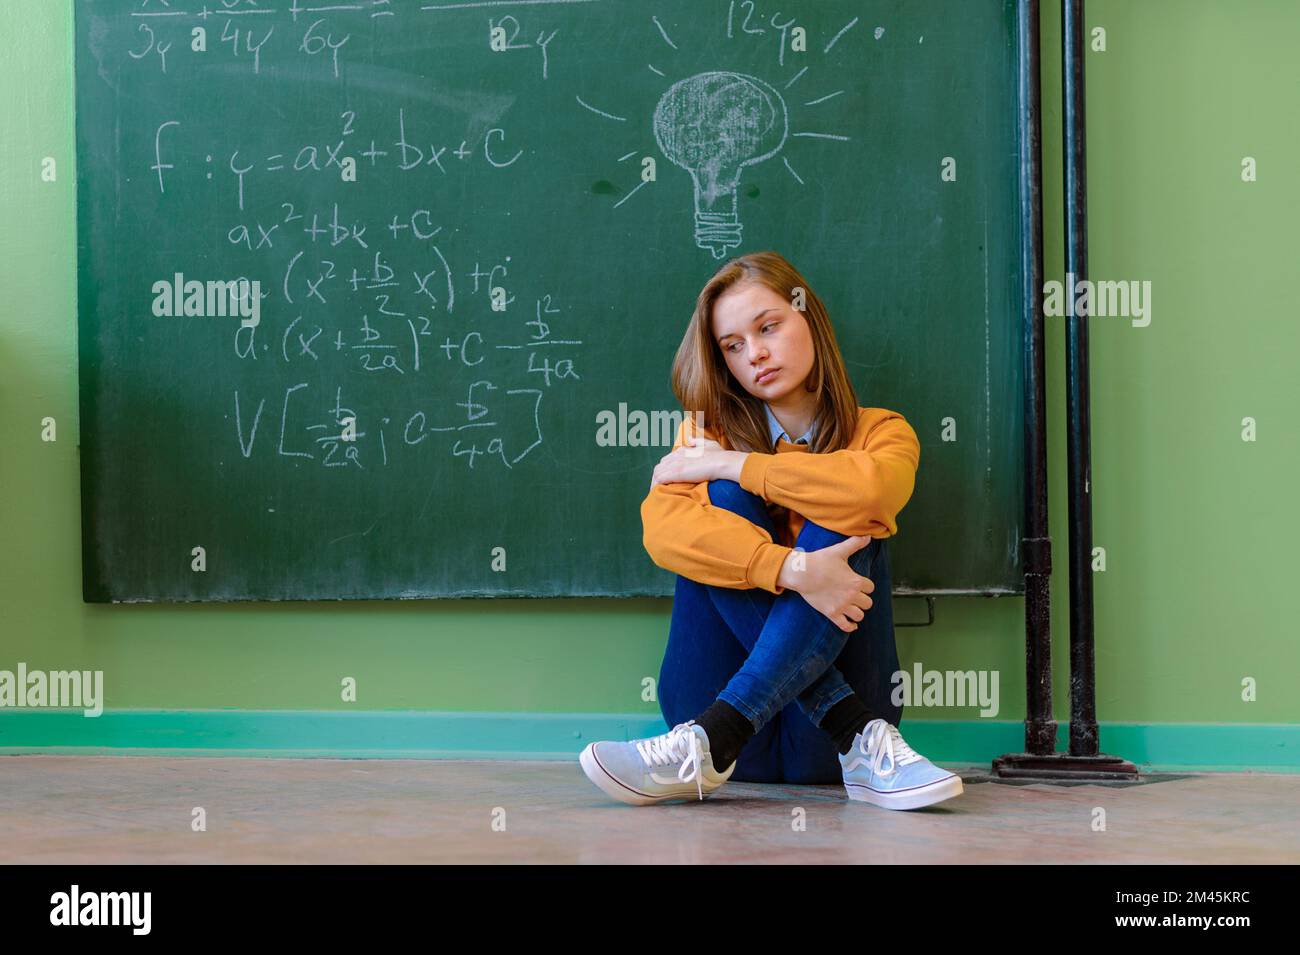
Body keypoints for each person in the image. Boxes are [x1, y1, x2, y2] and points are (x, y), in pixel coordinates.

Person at [578, 251, 962, 810]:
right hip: (718, 711)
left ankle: (716, 741)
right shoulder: (703, 434)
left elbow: (872, 493)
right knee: (721, 506)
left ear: (812, 322)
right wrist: (794, 569)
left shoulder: (880, 431)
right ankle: (851, 735)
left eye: (768, 327)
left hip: (819, 749)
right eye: (733, 345)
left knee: (848, 506)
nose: (754, 353)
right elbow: (664, 532)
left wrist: (736, 465)